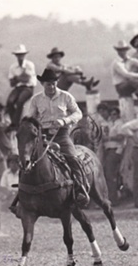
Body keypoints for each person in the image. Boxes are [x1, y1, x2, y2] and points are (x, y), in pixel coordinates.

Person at [9, 68, 89, 216]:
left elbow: (78, 113)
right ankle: (21, 198)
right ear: (42, 84)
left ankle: (80, 190)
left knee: (73, 158)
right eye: (48, 84)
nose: (51, 87)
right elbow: (29, 117)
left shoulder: (66, 96)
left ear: (57, 82)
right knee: (26, 160)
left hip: (62, 134)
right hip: (42, 135)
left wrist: (64, 120)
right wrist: (32, 125)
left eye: (53, 84)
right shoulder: (36, 99)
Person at [112, 40, 138, 119]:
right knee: (135, 82)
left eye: (124, 50)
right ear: (118, 52)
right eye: (120, 50)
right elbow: (126, 74)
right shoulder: (116, 63)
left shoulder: (130, 60)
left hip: (128, 84)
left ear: (126, 50)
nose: (122, 52)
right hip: (120, 87)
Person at [6, 44, 37, 128]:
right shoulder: (13, 67)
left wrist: (16, 78)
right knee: (10, 102)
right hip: (18, 88)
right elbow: (12, 83)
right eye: (18, 54)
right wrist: (21, 77)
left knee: (20, 101)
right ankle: (14, 122)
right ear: (16, 55)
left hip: (28, 88)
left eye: (22, 54)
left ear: (24, 55)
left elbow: (26, 79)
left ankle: (15, 124)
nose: (20, 56)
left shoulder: (29, 65)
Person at [103, 107, 125, 206]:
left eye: (114, 114)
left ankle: (113, 199)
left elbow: (121, 137)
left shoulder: (119, 124)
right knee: (109, 175)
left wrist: (109, 138)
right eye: (111, 114)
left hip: (115, 150)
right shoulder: (109, 124)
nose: (112, 116)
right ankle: (113, 196)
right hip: (108, 150)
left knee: (110, 175)